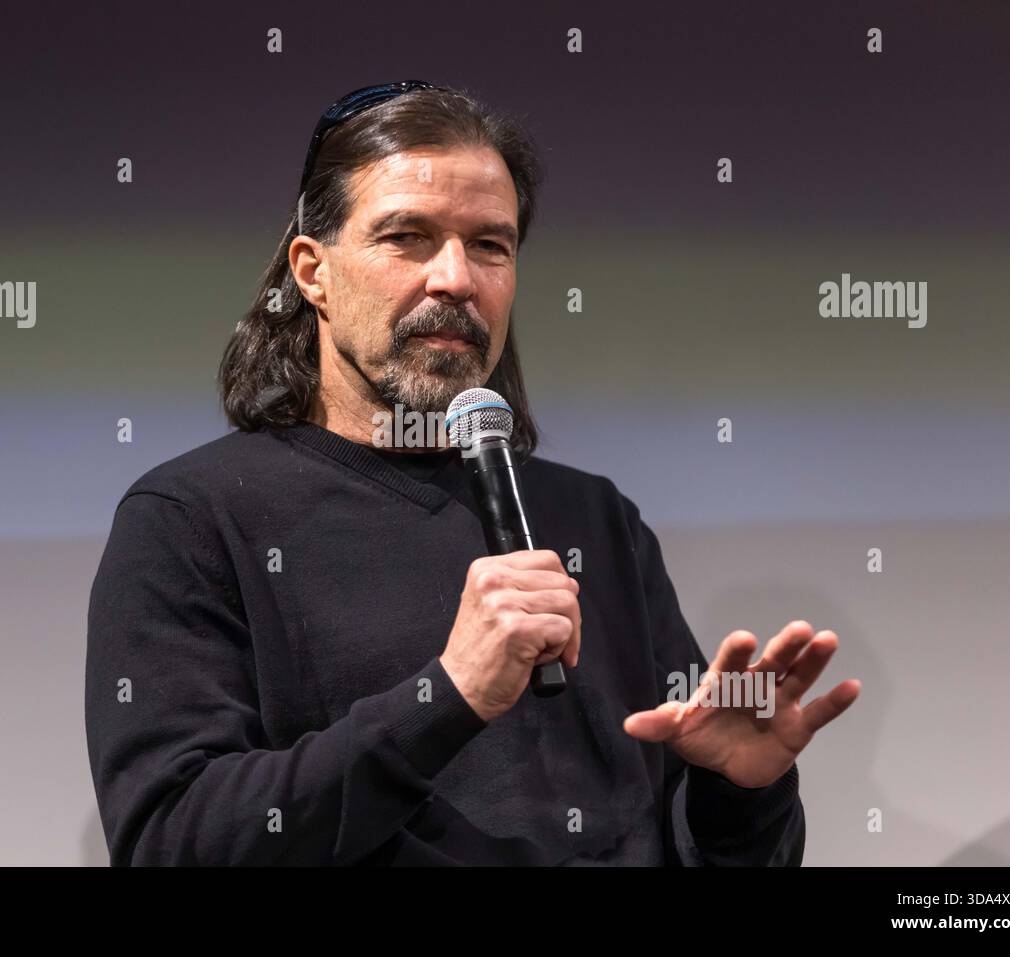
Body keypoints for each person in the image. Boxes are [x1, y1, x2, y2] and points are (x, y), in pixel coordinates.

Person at [84, 81, 861, 866]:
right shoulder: (192, 519)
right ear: (313, 272)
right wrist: (448, 694)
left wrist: (740, 790)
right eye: (408, 237)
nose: (455, 278)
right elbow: (169, 842)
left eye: (490, 245)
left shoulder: (593, 517)